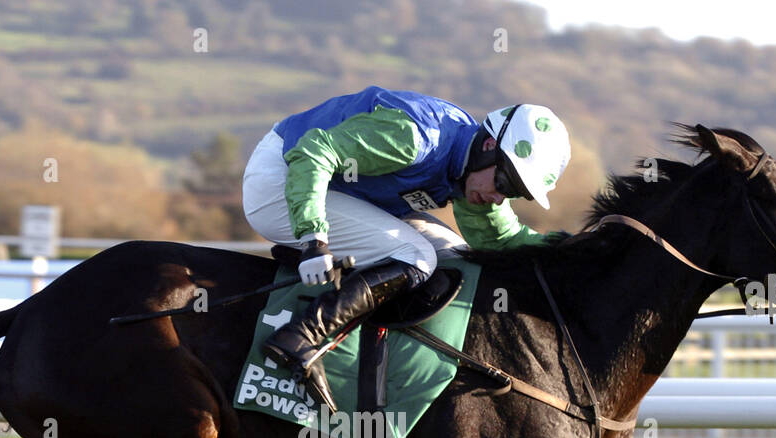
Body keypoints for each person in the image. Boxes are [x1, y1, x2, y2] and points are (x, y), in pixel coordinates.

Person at [242, 86, 571, 409]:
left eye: (513, 193)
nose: (500, 198)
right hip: (283, 179)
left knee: (459, 263)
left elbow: (499, 242)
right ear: (488, 145)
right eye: (505, 183)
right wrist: (314, 237)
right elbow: (313, 151)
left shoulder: (471, 169)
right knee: (417, 256)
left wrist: (572, 249)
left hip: (335, 190)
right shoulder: (416, 138)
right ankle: (302, 334)